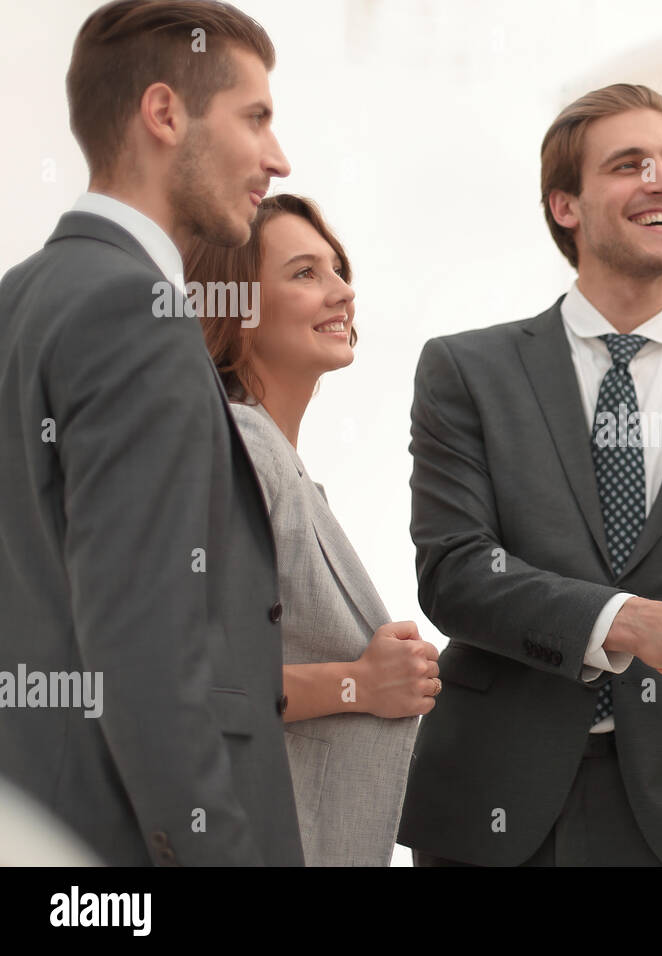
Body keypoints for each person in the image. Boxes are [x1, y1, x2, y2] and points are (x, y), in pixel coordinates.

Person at [396, 83, 662, 867]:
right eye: (629, 164)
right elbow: (455, 572)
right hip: (494, 804)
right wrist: (629, 621)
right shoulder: (467, 370)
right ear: (566, 205)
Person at [0, 0, 300, 865]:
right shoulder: (137, 308)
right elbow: (147, 652)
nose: (277, 159)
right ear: (165, 113)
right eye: (256, 118)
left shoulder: (26, 298)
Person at [185, 194, 439, 866]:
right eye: (305, 273)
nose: (342, 292)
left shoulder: (276, 462)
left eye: (339, 270)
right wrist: (361, 682)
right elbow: (184, 679)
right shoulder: (236, 449)